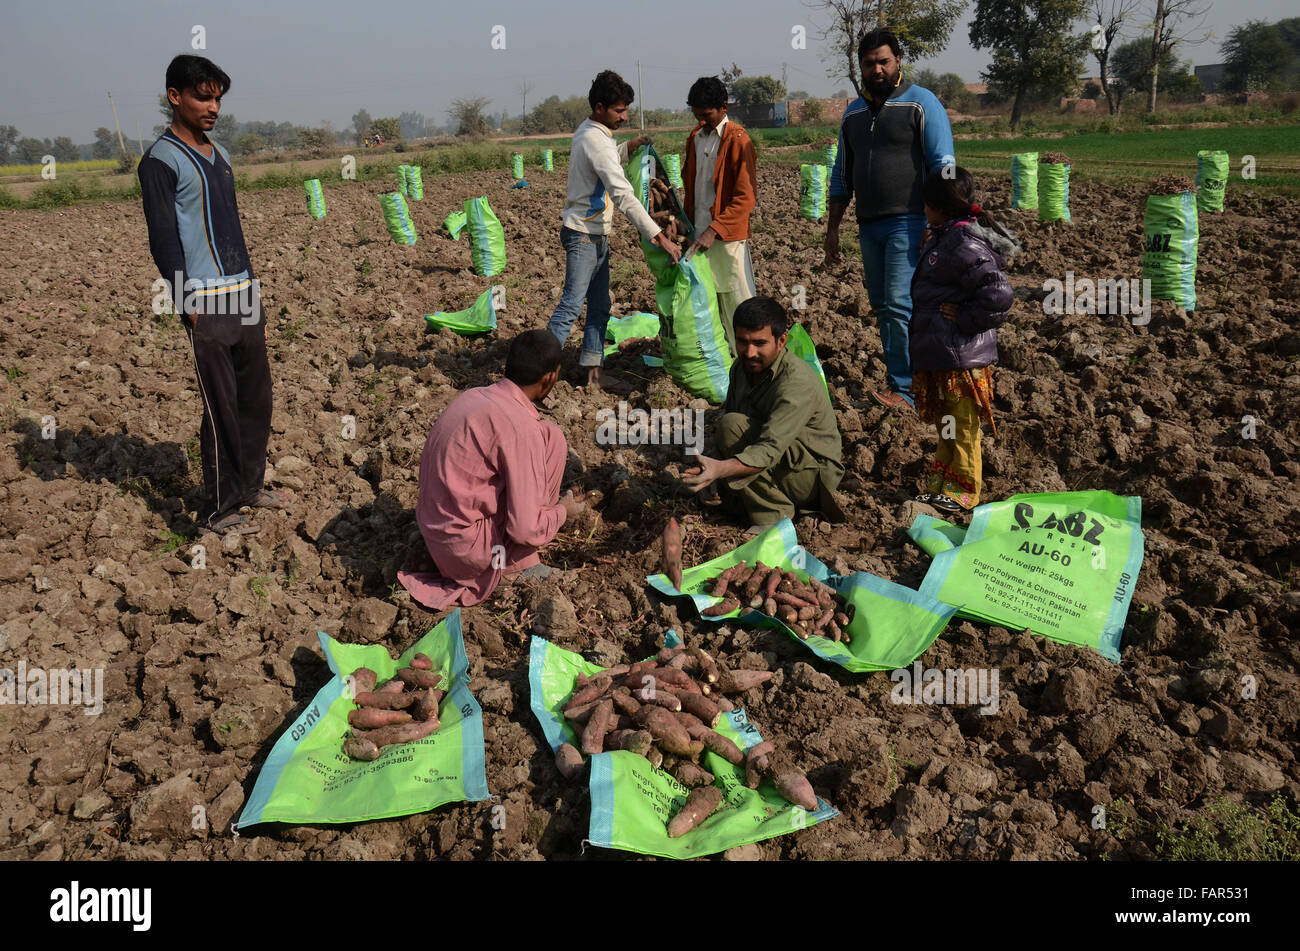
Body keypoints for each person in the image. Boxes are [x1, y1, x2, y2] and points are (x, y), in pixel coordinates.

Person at [139, 54, 288, 536]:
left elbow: (231, 229)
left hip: (244, 293)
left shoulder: (219, 154)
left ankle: (248, 487)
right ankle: (218, 511)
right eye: (203, 96)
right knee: (220, 405)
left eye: (218, 97)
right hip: (205, 300)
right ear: (175, 97)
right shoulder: (159, 162)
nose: (214, 106)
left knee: (255, 399)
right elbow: (163, 239)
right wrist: (188, 303)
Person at [398, 330, 587, 610]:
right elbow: (524, 529)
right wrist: (562, 512)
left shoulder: (476, 397)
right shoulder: (520, 428)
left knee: (552, 436)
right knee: (530, 523)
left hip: (438, 535)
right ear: (550, 378)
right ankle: (519, 565)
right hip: (470, 554)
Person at [824, 27, 955, 411]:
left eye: (883, 61)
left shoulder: (921, 103)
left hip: (910, 222)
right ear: (860, 67)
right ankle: (908, 382)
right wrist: (833, 229)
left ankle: (908, 391)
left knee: (899, 305)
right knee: (882, 305)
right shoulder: (852, 114)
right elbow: (840, 175)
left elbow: (942, 165)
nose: (877, 69)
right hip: (869, 226)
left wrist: (939, 223)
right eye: (869, 63)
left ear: (898, 60)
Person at [547, 69, 681, 390]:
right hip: (583, 236)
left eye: (626, 110)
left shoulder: (592, 133)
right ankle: (534, 375)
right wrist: (658, 235)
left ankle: (594, 374)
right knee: (570, 304)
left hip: (595, 235)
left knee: (600, 305)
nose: (624, 117)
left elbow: (607, 160)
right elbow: (622, 193)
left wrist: (630, 146)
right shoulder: (595, 139)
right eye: (619, 111)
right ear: (599, 107)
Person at [682, 297, 843, 530]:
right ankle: (753, 500)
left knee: (730, 428)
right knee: (724, 442)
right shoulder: (741, 368)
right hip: (778, 458)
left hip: (810, 476)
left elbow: (768, 449)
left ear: (781, 341)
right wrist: (713, 470)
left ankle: (773, 517)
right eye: (742, 342)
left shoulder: (795, 382)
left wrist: (720, 469)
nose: (749, 352)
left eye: (760, 343)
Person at [909, 168, 1014, 515]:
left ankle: (964, 491)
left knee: (961, 425)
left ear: (938, 206)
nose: (923, 210)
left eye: (926, 204)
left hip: (960, 357)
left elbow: (998, 293)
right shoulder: (943, 237)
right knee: (947, 423)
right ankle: (943, 485)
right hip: (944, 354)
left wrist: (967, 318)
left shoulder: (961, 243)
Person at [682, 76, 758, 357]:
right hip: (698, 235)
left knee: (738, 303)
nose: (701, 121)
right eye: (697, 115)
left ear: (723, 107)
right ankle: (723, 362)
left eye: (707, 115)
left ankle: (750, 361)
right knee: (708, 304)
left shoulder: (739, 140)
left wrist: (713, 230)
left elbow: (745, 197)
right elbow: (691, 186)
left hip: (726, 238)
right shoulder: (694, 138)